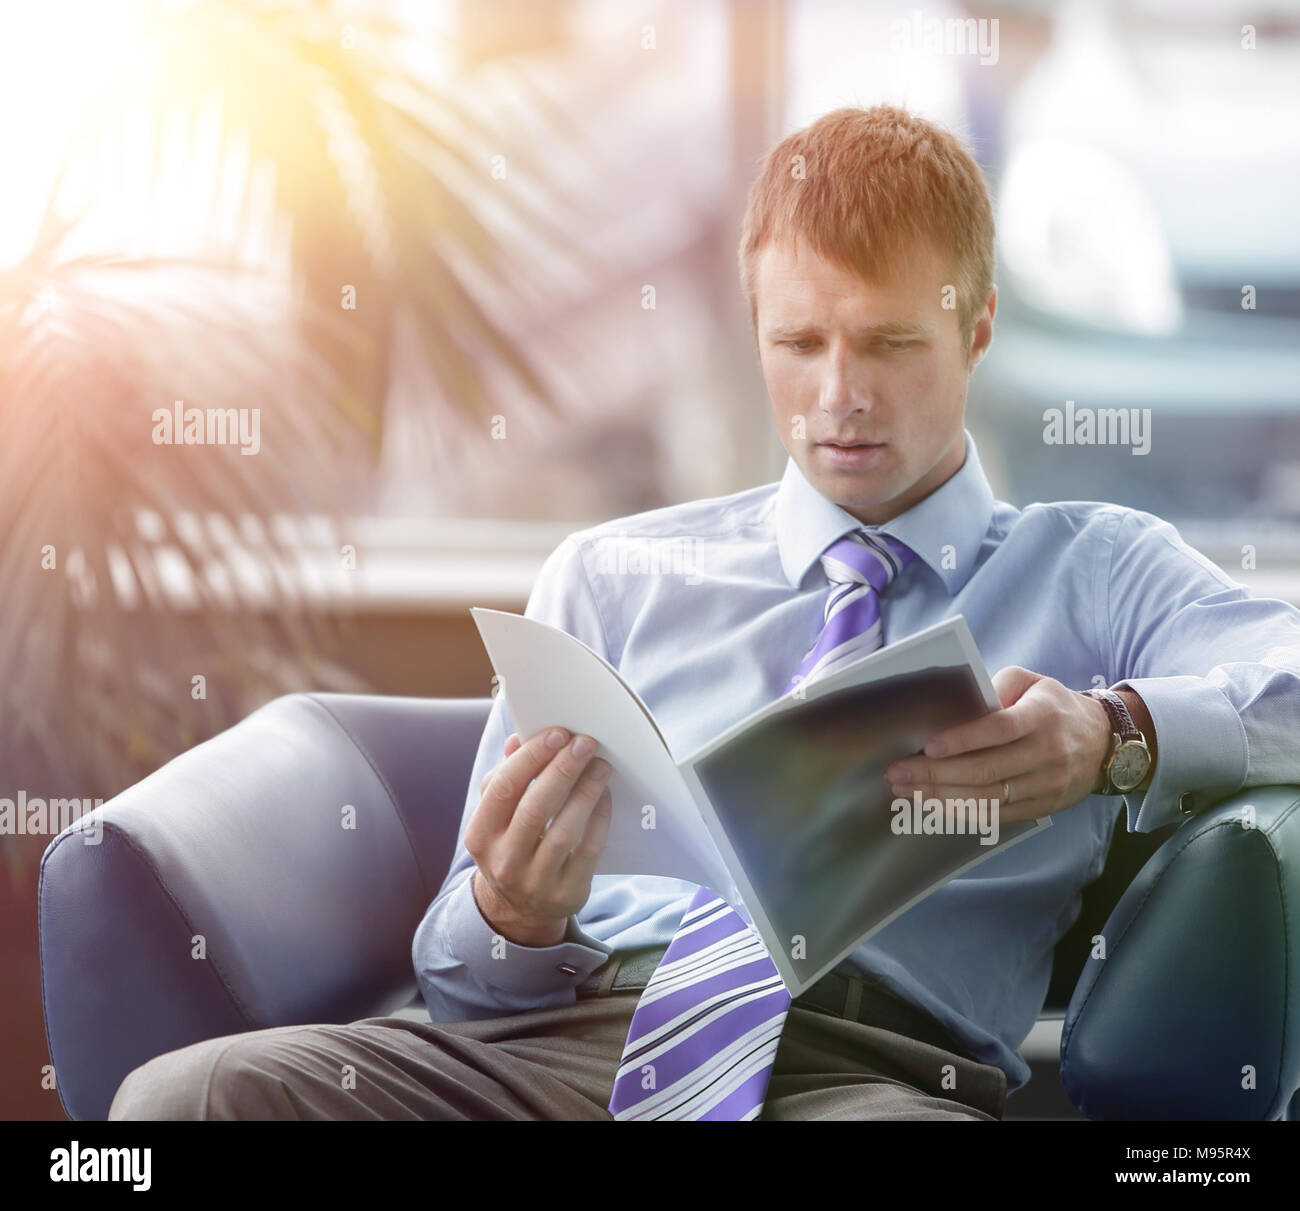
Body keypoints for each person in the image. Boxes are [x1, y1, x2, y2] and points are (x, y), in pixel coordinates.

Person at [109, 104, 1300, 1121]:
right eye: (799, 342)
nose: (841, 396)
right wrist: (512, 914)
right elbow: (462, 979)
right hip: (549, 1050)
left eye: (890, 342)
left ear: (976, 324)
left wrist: (1113, 735)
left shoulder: (1091, 570)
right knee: (185, 1099)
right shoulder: (608, 575)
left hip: (863, 1071)